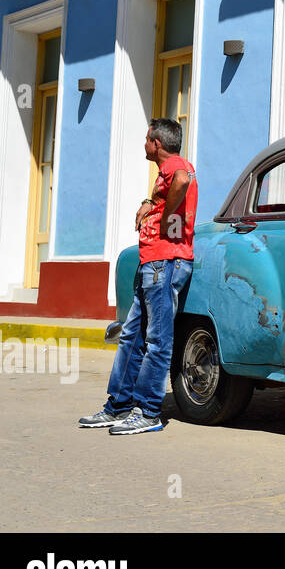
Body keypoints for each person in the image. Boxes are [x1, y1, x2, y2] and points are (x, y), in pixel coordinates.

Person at [78, 118, 197, 434]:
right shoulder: (165, 171)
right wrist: (152, 202)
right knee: (131, 335)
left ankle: (148, 412)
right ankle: (117, 406)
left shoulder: (177, 165)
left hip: (165, 262)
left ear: (157, 143)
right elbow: (168, 189)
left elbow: (182, 182)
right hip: (153, 263)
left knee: (158, 339)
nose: (144, 144)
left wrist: (166, 213)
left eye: (147, 139)